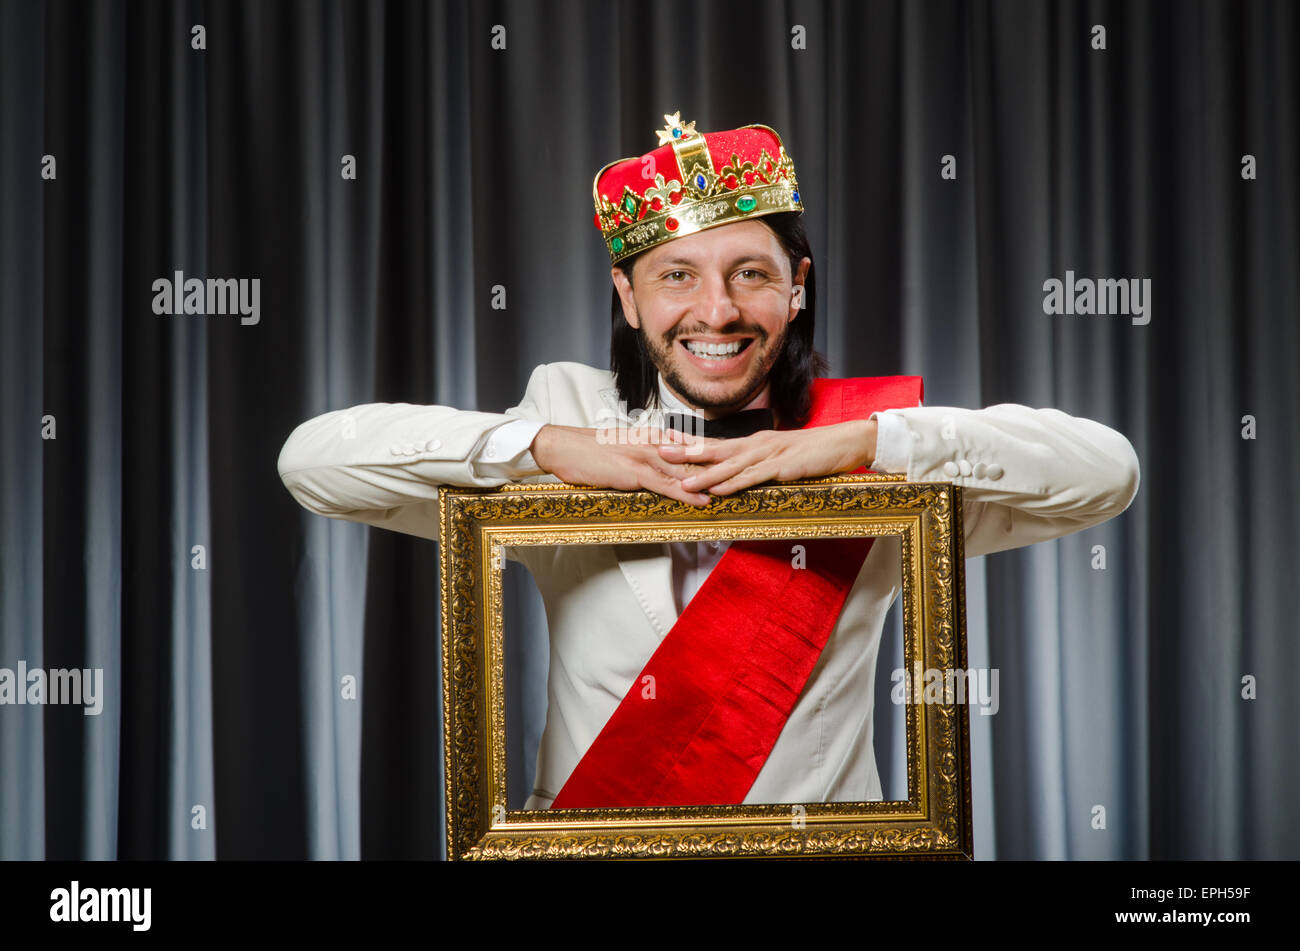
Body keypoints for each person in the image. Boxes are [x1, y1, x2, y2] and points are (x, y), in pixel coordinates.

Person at [277, 112, 1140, 810]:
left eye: (751, 274)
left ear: (797, 287)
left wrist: (866, 441)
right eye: (677, 274)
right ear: (628, 293)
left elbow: (1106, 472)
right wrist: (542, 448)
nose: (717, 311)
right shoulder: (565, 417)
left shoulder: (866, 453)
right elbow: (311, 461)